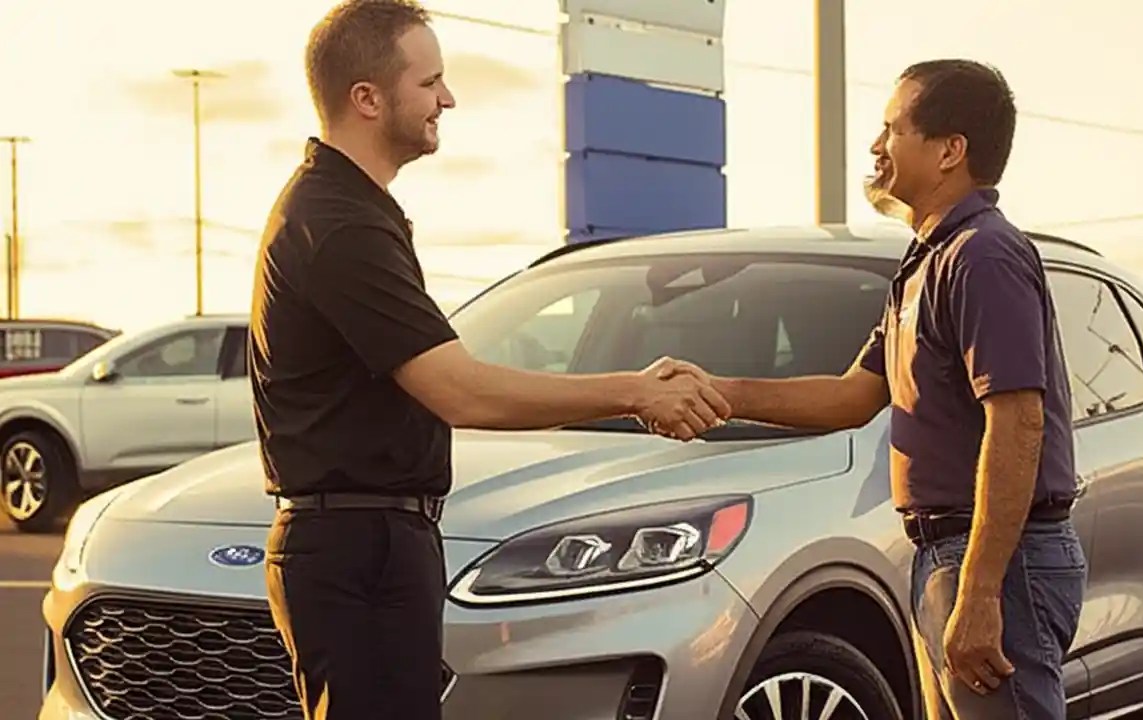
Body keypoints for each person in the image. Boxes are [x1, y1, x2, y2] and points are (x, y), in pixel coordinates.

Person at [247, 2, 730, 718]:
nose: (448, 98)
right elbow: (460, 391)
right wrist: (635, 391)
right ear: (368, 99)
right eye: (431, 82)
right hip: (356, 547)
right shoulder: (338, 223)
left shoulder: (351, 209)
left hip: (369, 539)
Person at [663, 60, 1085, 719]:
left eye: (892, 128)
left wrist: (979, 593)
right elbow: (852, 397)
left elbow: (1019, 420)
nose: (875, 146)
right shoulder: (926, 261)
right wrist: (716, 391)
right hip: (946, 553)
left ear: (950, 151)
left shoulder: (982, 256)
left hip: (998, 559)